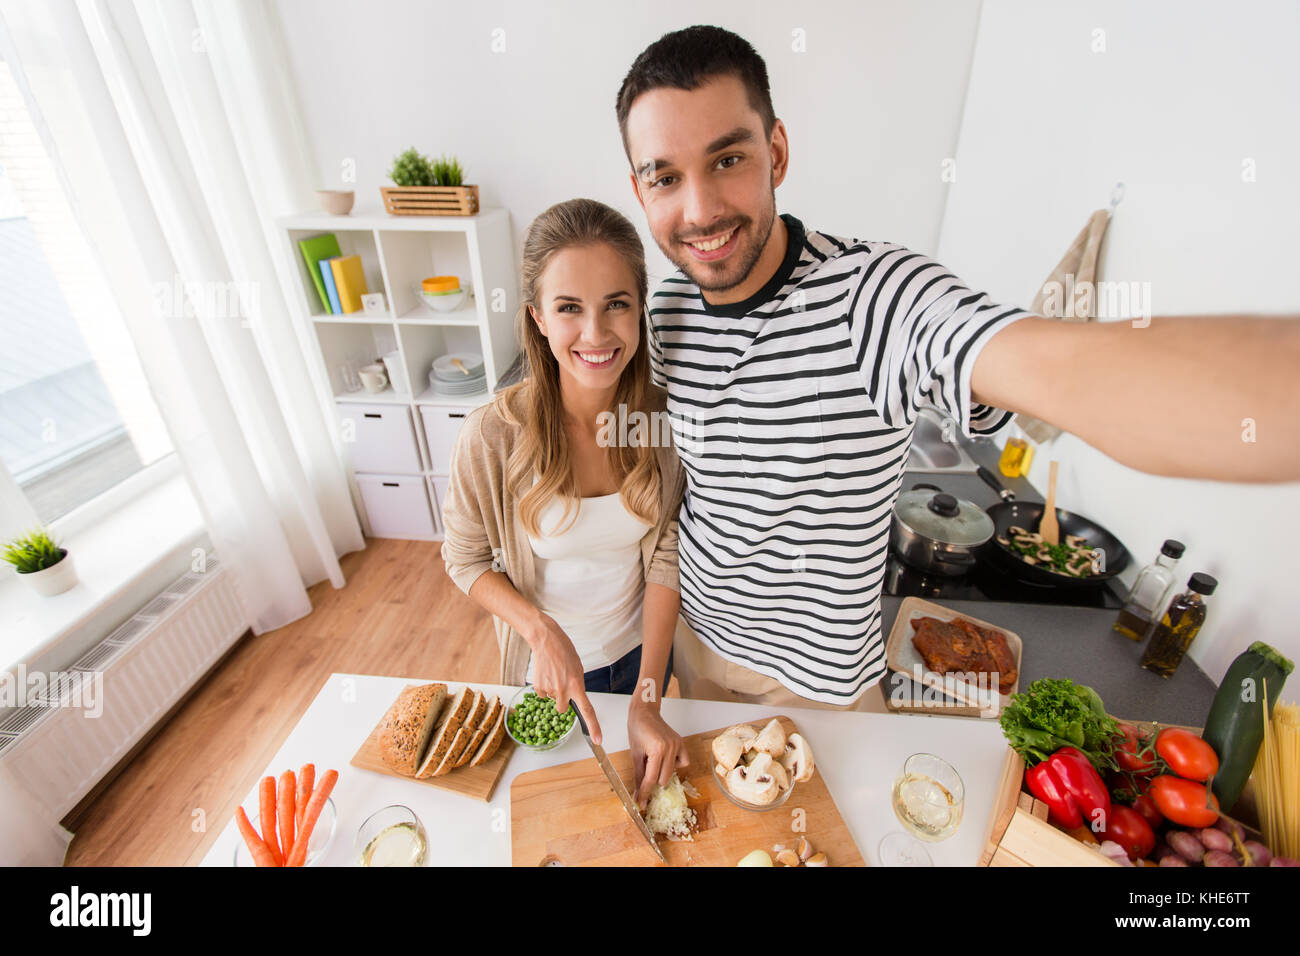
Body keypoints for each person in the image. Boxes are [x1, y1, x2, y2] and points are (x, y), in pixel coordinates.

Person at [612, 25, 1300, 712]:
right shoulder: (666, 312)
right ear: (641, 192)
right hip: (693, 646)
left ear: (777, 153)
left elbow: (1059, 371)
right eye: (665, 177)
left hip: (817, 686)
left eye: (727, 160)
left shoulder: (875, 296)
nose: (699, 210)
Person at [440, 198, 690, 805]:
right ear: (539, 318)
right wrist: (539, 628)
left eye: (616, 305)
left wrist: (648, 696)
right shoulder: (491, 434)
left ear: (640, 309)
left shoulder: (660, 421)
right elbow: (465, 559)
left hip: (640, 657)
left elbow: (664, 559)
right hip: (543, 672)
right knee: (557, 810)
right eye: (570, 308)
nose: (597, 334)